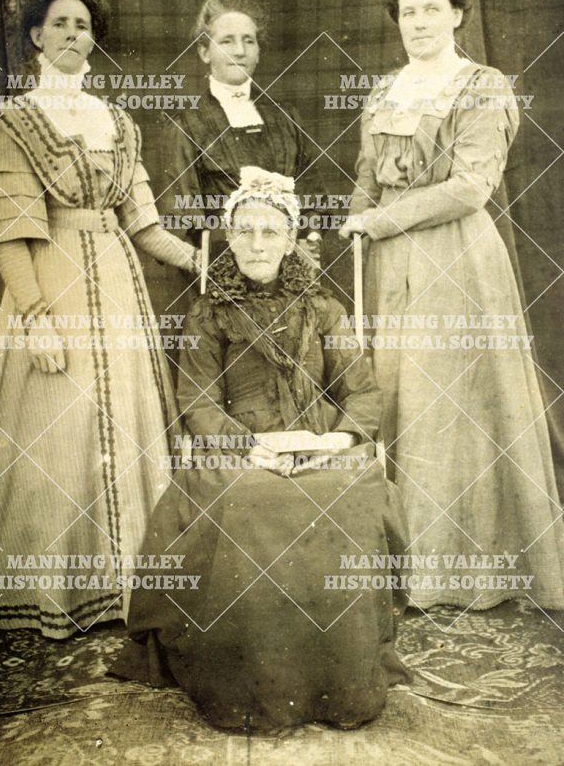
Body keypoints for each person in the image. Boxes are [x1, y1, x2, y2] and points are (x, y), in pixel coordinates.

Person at [112, 168, 411, 731]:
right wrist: (250, 446)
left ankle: (339, 678)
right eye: (244, 231)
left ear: (291, 239)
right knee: (246, 500)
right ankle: (252, 686)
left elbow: (363, 392)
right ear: (229, 236)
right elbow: (197, 400)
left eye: (270, 232)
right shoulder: (208, 313)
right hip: (238, 450)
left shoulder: (324, 309)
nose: (256, 244)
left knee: (353, 493)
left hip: (318, 443)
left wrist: (334, 441)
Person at [0, 0, 200, 638]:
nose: (73, 35)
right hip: (52, 290)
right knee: (60, 436)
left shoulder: (117, 122)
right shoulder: (13, 122)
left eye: (83, 25)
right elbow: (8, 231)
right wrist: (36, 316)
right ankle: (59, 593)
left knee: (125, 427)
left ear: (93, 40)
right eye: (60, 24)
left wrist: (201, 261)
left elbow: (145, 227)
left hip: (120, 293)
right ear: (36, 36)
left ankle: (130, 587)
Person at [339, 0, 564, 610]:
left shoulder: (483, 87)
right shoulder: (385, 91)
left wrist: (379, 220)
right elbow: (366, 175)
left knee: (448, 406)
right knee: (395, 395)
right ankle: (400, 565)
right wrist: (357, 219)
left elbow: (469, 187)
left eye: (432, 9)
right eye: (408, 12)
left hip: (456, 258)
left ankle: (457, 570)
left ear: (458, 15)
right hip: (388, 264)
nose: (419, 22)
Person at [162, 0, 321, 262]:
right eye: (227, 41)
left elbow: (313, 197)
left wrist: (311, 238)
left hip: (291, 265)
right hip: (222, 269)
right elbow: (182, 221)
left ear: (258, 51)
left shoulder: (286, 117)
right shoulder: (185, 125)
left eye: (249, 40)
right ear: (204, 52)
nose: (239, 51)